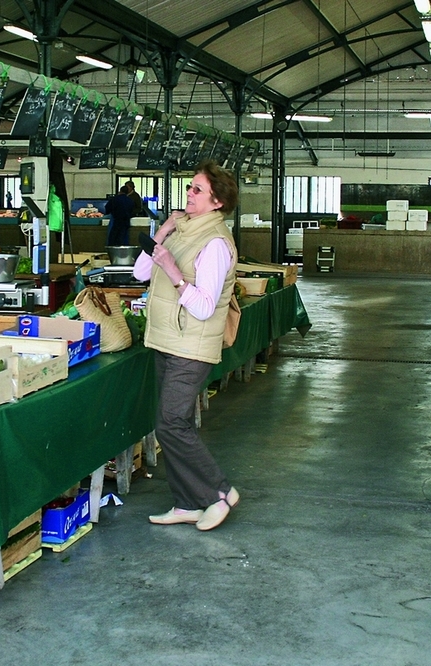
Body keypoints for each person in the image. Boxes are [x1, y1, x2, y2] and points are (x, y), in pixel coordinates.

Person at [132, 160, 240, 531]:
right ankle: (186, 502)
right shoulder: (182, 230)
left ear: (217, 202)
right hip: (167, 339)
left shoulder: (214, 243)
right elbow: (140, 273)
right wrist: (161, 233)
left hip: (191, 347)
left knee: (172, 422)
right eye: (190, 188)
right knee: (167, 424)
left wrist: (174, 272)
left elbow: (205, 306)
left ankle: (219, 492)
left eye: (197, 190)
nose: (188, 195)